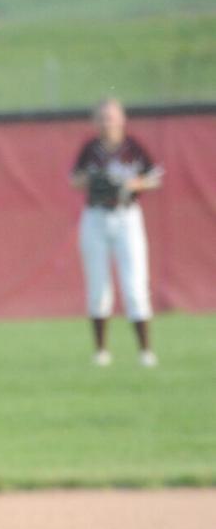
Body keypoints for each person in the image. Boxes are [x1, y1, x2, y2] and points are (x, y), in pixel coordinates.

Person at [70, 97, 163, 367]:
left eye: (110, 117)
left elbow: (155, 177)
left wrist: (133, 182)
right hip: (97, 216)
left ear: (122, 119)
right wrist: (95, 181)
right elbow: (74, 179)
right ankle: (101, 352)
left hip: (127, 216)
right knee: (98, 287)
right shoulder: (90, 149)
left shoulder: (133, 148)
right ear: (94, 121)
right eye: (101, 117)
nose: (106, 122)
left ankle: (145, 351)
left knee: (135, 285)